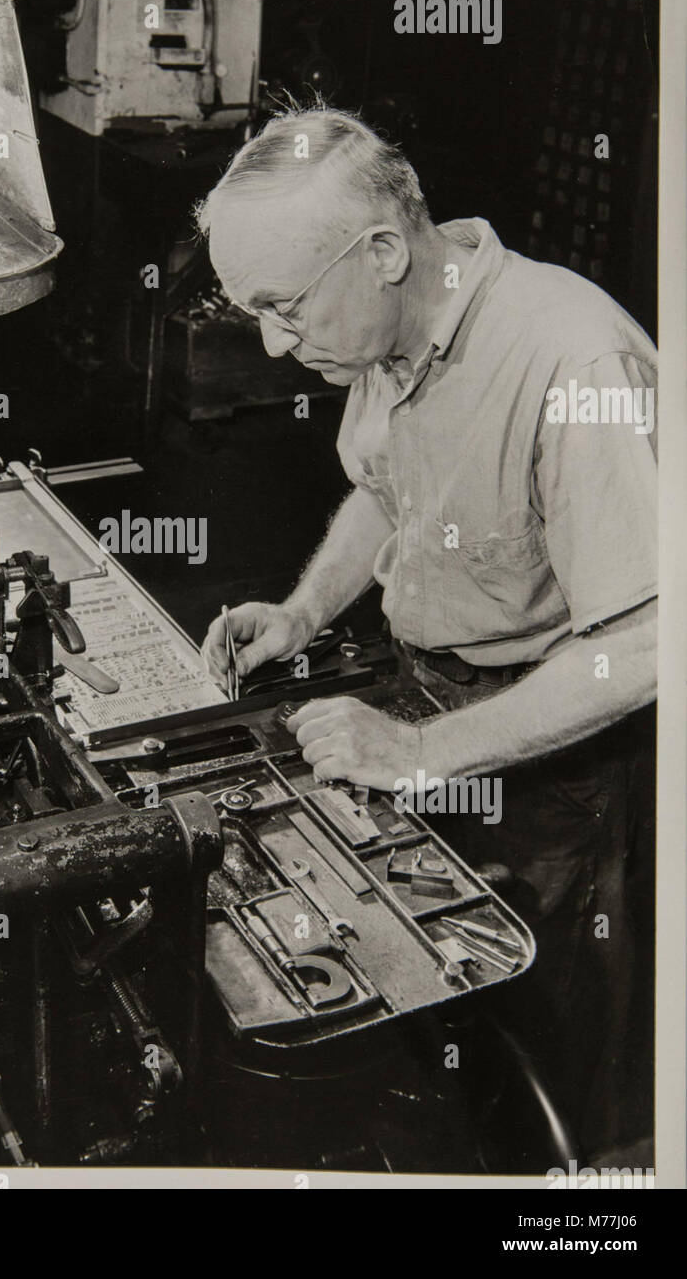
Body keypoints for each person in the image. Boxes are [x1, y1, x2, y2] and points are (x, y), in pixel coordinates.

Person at [197, 105, 657, 1160]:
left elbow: (644, 644)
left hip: (557, 775)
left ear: (386, 252)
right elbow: (384, 491)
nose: (271, 341)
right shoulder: (392, 333)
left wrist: (415, 754)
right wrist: (305, 610)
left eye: (282, 307)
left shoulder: (573, 360)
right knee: (442, 1046)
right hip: (431, 709)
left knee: (554, 1079)